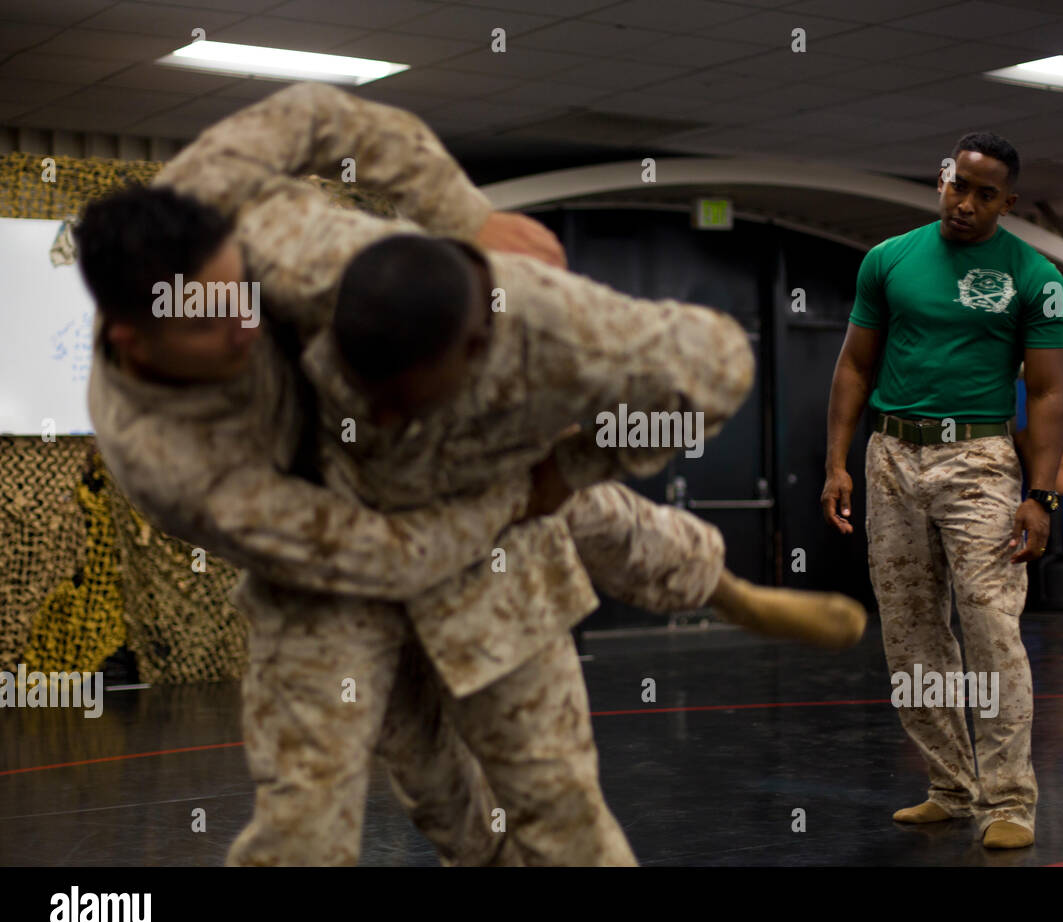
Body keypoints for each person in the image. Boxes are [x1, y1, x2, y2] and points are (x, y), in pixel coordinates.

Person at [79, 82, 865, 866]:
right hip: (327, 558)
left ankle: (725, 589)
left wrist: (465, 217)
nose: (244, 328)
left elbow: (321, 114)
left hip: (452, 478)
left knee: (560, 770)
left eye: (243, 295)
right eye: (209, 324)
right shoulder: (170, 461)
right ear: (130, 338)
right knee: (390, 805)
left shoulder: (253, 216)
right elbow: (381, 556)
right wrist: (515, 497)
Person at [821, 132, 1063, 850]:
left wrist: (1041, 495)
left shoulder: (1035, 276)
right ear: (942, 179)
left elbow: (1048, 393)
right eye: (958, 185)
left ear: (1007, 202)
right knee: (910, 635)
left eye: (985, 194)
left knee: (991, 631)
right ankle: (951, 787)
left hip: (980, 460)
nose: (965, 202)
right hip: (892, 456)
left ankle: (1009, 799)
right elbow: (854, 367)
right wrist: (837, 462)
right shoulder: (887, 260)